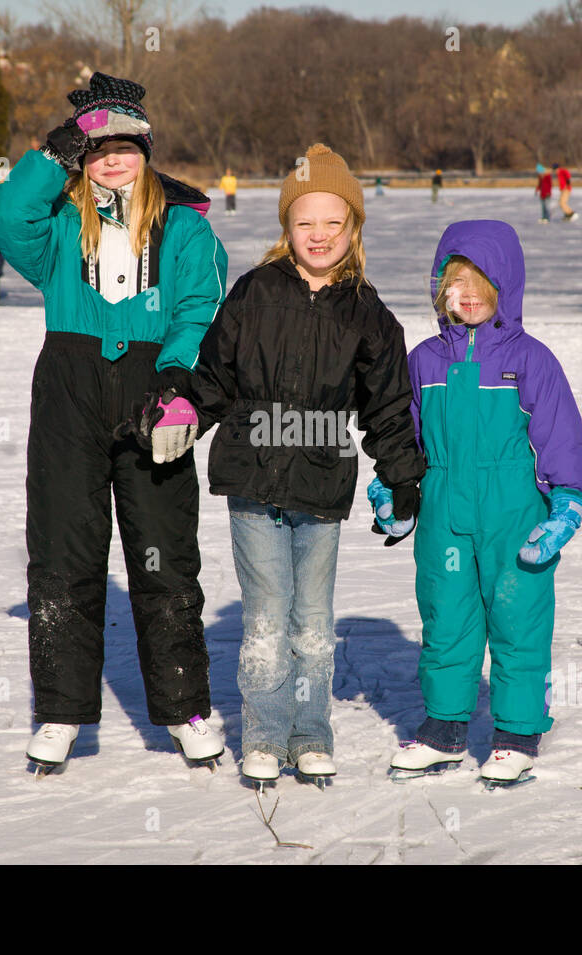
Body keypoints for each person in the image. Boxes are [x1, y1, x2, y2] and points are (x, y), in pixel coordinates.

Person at [0, 72, 230, 773]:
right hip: (70, 390)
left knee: (163, 557)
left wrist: (179, 384)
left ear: (147, 152)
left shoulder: (184, 226)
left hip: (154, 391)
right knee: (64, 552)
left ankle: (185, 708)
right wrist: (56, 153)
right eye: (97, 150)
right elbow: (3, 219)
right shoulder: (59, 226)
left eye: (125, 145)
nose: (111, 159)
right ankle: (60, 711)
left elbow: (200, 308)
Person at [188, 143, 425, 786]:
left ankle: (311, 732)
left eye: (333, 223)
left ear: (352, 228)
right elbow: (213, 375)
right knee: (267, 613)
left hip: (322, 480)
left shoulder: (369, 315)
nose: (318, 235)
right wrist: (180, 412)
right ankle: (265, 735)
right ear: (286, 227)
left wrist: (403, 477)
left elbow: (390, 408)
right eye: (305, 222)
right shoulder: (254, 292)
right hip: (252, 477)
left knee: (313, 619)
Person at [389, 219, 582, 786]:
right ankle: (445, 730)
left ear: (506, 287)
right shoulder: (424, 360)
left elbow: (558, 433)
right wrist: (393, 490)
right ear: (438, 289)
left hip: (513, 512)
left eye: (482, 281)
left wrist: (566, 503)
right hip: (445, 509)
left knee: (517, 619)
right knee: (446, 618)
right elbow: (407, 437)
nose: (468, 293)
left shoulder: (531, 360)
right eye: (456, 281)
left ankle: (517, 734)